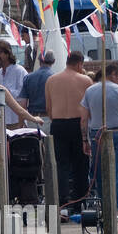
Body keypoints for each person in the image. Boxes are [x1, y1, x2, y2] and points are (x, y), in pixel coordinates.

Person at [80, 62, 118, 215]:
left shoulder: (89, 91)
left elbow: (83, 119)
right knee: (116, 173)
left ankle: (104, 207)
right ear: (112, 74)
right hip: (117, 133)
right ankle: (115, 208)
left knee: (99, 174)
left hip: (95, 134)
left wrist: (84, 140)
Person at [45, 50, 93, 215]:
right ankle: (79, 201)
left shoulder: (51, 80)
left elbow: (49, 108)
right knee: (81, 164)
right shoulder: (85, 80)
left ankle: (62, 202)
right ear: (80, 64)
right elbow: (89, 108)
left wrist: (56, 119)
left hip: (58, 124)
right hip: (77, 123)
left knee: (61, 165)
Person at [0, 39, 28, 127]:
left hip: (16, 120)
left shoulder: (20, 71)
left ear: (7, 53)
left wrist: (6, 92)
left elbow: (23, 96)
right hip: (2, 120)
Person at [20, 51, 55, 116]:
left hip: (32, 117)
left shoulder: (28, 77)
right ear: (53, 61)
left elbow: (23, 104)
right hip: (49, 117)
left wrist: (21, 123)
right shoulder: (55, 78)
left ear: (39, 61)